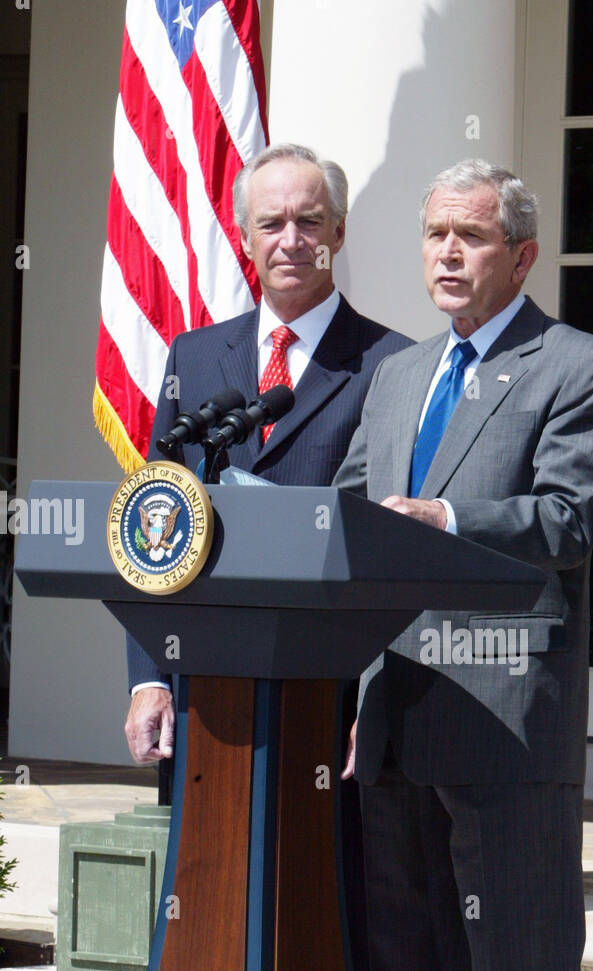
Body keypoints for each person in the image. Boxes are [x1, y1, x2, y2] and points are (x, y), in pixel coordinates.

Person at [335, 158, 593, 971]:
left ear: (521, 255)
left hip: (508, 726)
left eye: (468, 237)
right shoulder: (399, 374)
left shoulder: (581, 367)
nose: (446, 256)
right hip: (399, 720)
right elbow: (353, 531)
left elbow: (572, 514)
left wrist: (447, 516)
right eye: (432, 236)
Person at [123, 143, 412, 756]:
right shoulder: (194, 356)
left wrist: (376, 696)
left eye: (309, 222)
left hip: (329, 686)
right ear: (245, 236)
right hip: (204, 686)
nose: (292, 240)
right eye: (271, 223)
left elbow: (395, 547)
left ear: (339, 231)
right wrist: (150, 677)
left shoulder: (394, 364)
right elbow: (153, 522)